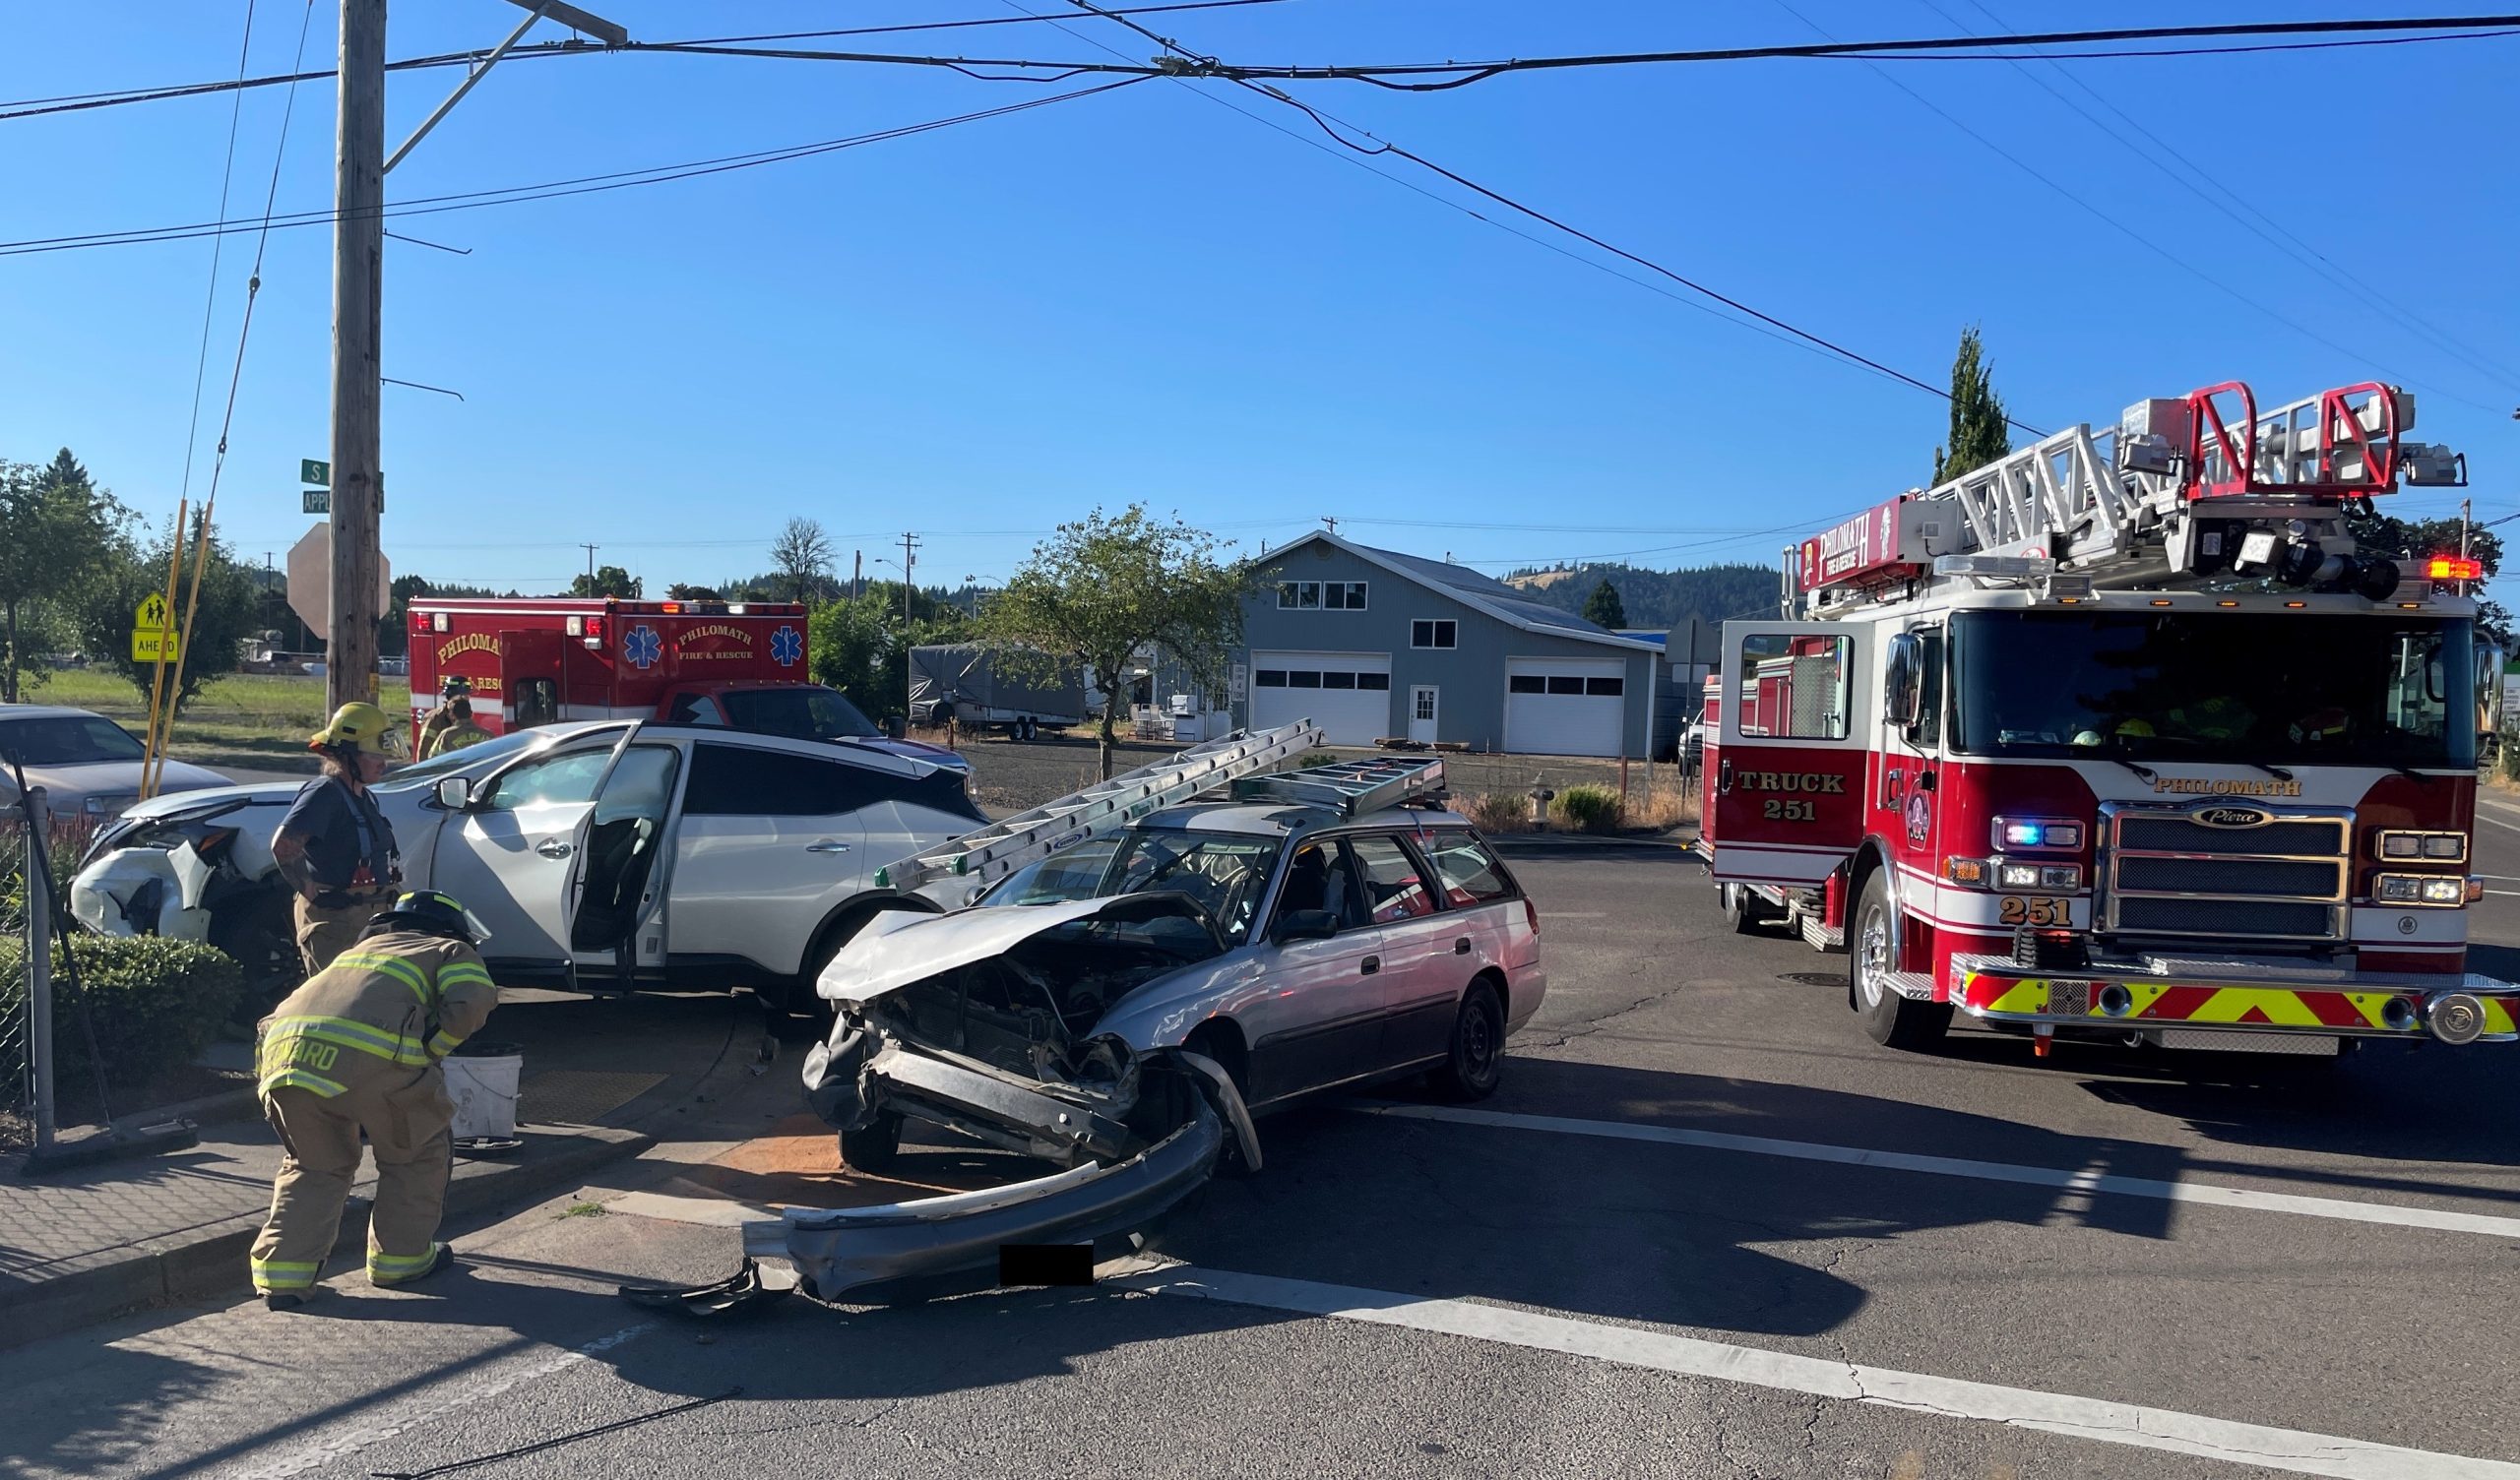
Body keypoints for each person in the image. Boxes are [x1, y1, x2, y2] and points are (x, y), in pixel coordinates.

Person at [249, 890, 499, 1309]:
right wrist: (429, 1050)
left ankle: (282, 1278)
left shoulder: (352, 955)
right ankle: (399, 1261)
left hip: (284, 1061)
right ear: (448, 927)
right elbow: (473, 1000)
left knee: (314, 1165)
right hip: (374, 1063)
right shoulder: (447, 949)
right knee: (415, 1155)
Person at [273, 703, 405, 974]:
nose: (384, 763)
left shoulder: (364, 796)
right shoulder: (324, 793)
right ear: (347, 755)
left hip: (369, 919)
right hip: (336, 924)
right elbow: (283, 845)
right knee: (338, 994)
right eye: (375, 755)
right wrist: (310, 891)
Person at [414, 677, 470, 759]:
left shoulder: (464, 715)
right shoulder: (434, 719)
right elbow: (424, 750)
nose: (468, 698)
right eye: (465, 696)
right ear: (452, 697)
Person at [419, 697, 491, 760]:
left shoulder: (447, 735)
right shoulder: (489, 735)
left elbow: (434, 759)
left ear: (452, 715)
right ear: (472, 714)